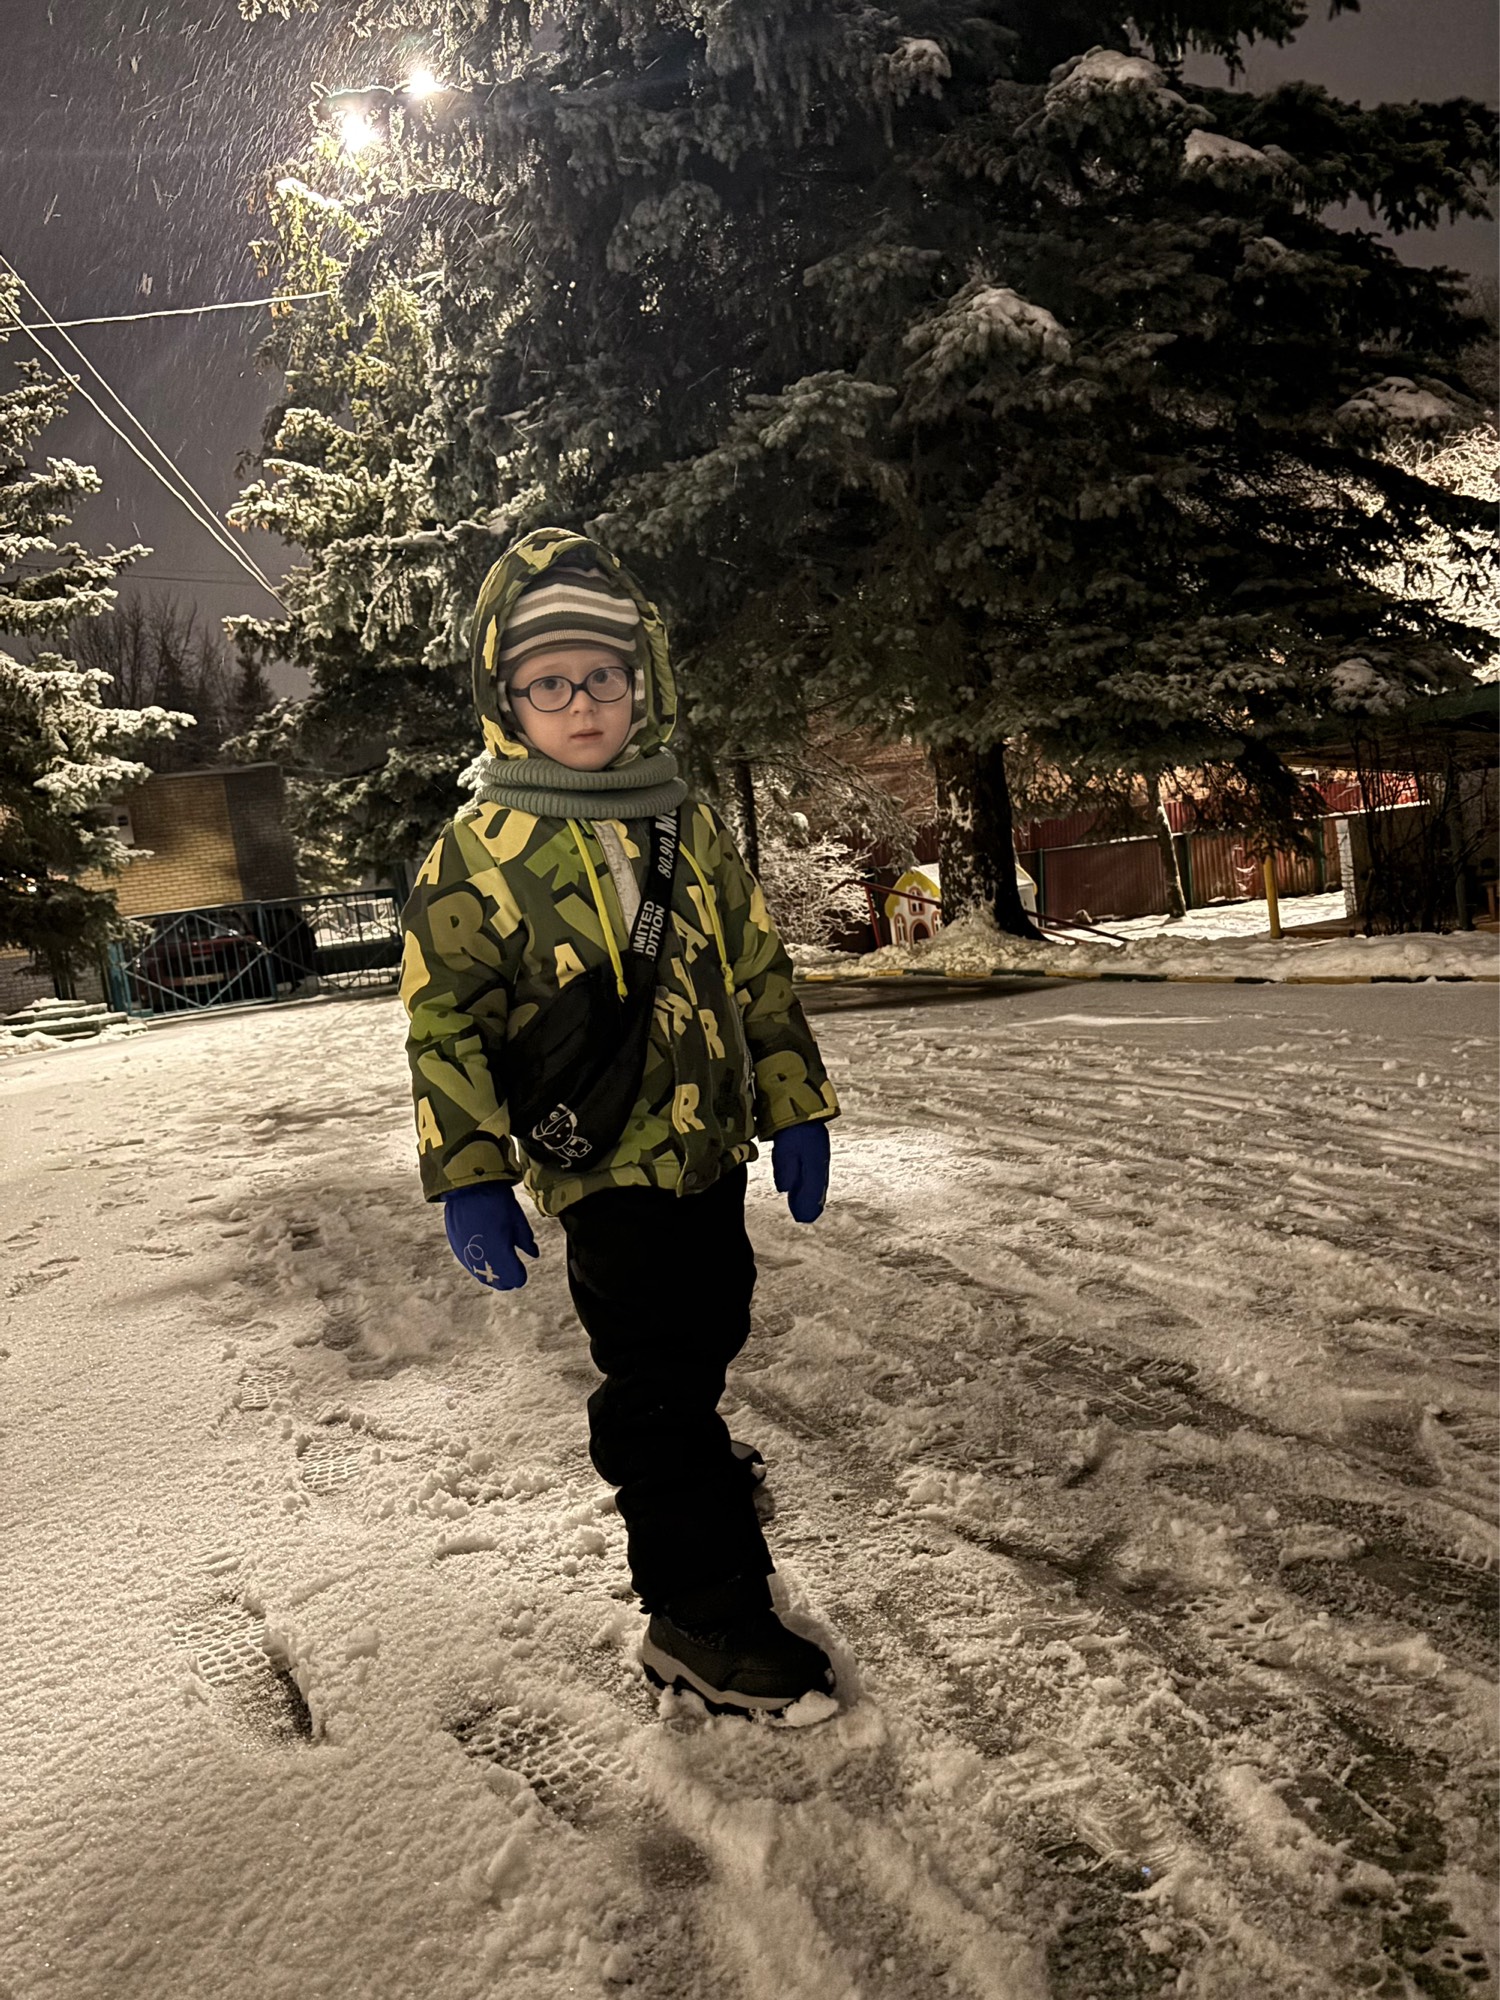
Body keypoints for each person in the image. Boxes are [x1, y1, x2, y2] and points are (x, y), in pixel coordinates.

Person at [400, 527, 842, 1717]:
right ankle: (699, 1614)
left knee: (711, 1320)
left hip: (707, 1149)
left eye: (602, 675)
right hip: (599, 1163)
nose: (581, 702)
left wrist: (794, 1098)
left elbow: (756, 968)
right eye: (550, 682)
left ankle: (691, 1453)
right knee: (653, 1377)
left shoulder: (681, 822)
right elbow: (444, 1024)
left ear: (642, 680)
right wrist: (471, 1174)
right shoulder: (477, 854)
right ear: (508, 698)